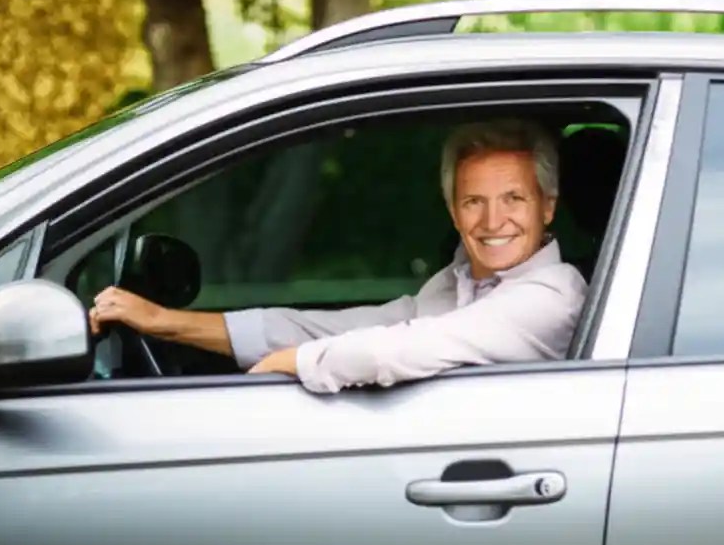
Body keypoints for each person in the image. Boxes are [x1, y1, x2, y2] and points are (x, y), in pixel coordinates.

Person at [88, 119, 588, 394]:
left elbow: (396, 349)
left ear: (548, 206)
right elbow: (341, 329)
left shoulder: (551, 296)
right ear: (453, 212)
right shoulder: (451, 284)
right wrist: (165, 321)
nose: (492, 221)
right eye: (474, 201)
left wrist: (288, 365)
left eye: (514, 199)